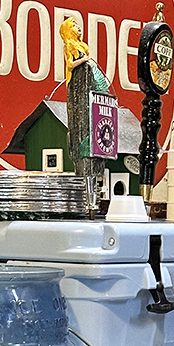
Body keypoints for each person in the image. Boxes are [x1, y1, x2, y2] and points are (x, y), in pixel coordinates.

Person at [58, 17, 109, 211]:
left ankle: (94, 197)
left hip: (92, 100)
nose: (79, 28)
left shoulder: (82, 45)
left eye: (78, 25)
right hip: (79, 94)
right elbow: (71, 66)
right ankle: (86, 200)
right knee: (82, 148)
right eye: (74, 26)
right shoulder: (70, 47)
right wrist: (84, 60)